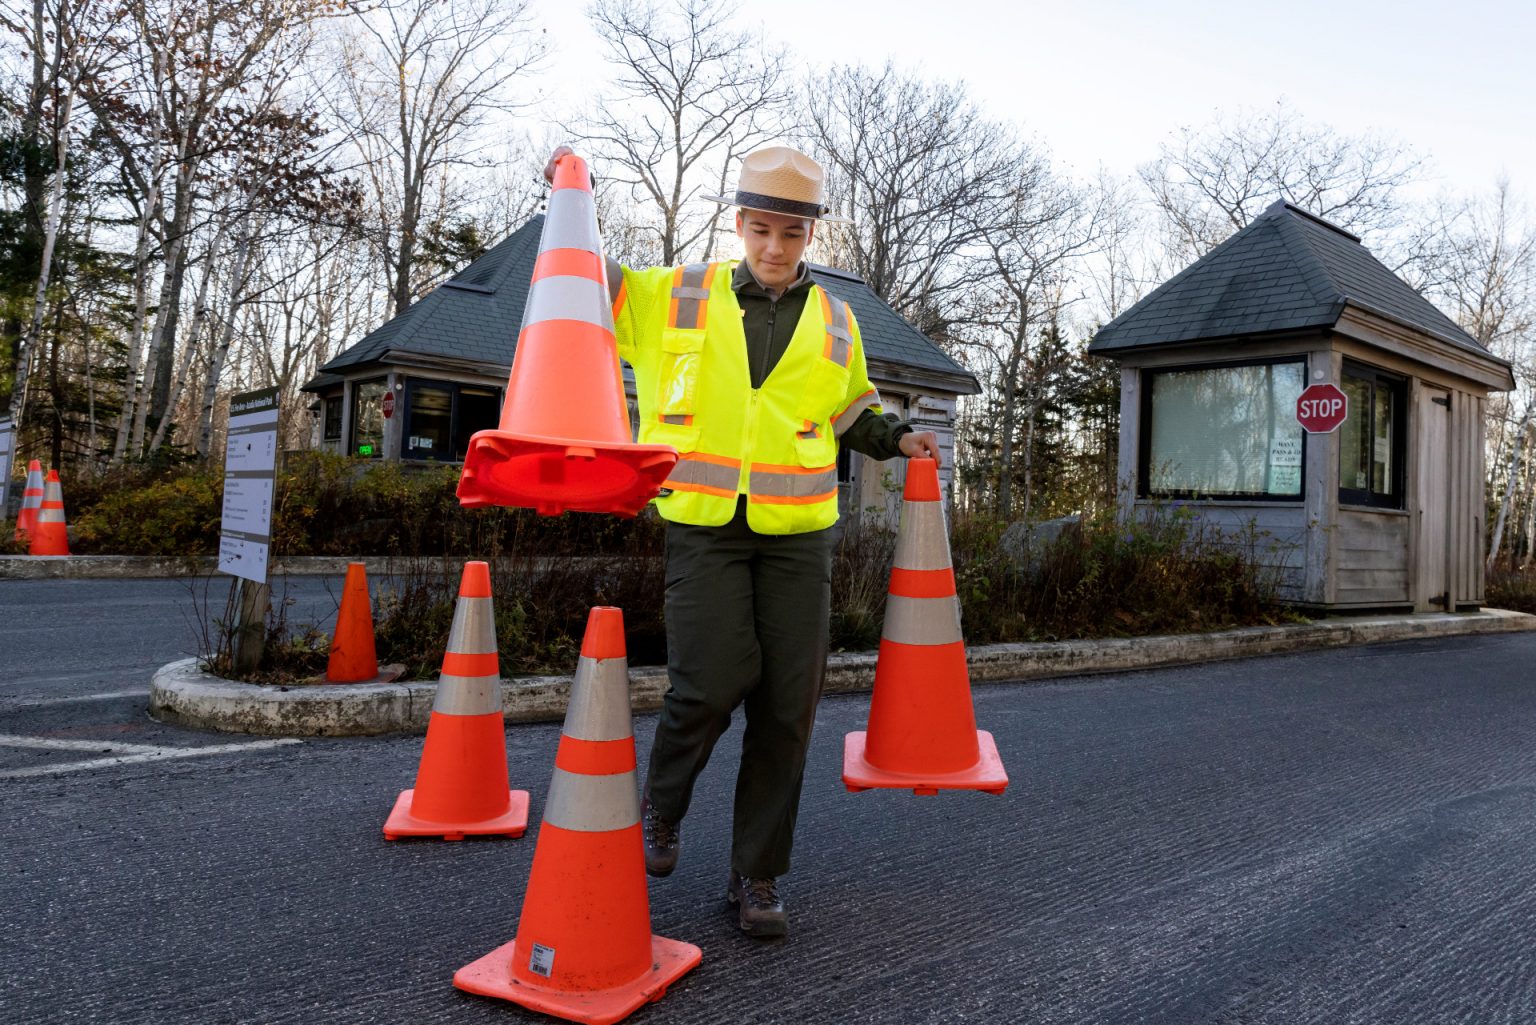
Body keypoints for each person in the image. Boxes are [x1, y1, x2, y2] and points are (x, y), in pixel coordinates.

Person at [543, 144, 941, 938]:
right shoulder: (677, 294)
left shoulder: (835, 321)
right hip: (703, 522)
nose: (773, 247)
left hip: (798, 535)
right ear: (738, 225)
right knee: (709, 680)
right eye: (760, 229)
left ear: (809, 238)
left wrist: (897, 440)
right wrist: (564, 198)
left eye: (790, 234)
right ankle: (661, 802)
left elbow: (848, 410)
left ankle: (755, 873)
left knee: (786, 707)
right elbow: (589, 282)